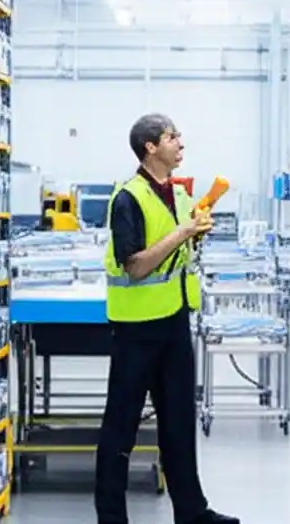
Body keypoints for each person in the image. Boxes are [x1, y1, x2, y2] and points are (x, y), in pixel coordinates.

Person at [95, 113, 239, 524]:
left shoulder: (177, 194)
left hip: (174, 322)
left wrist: (196, 231)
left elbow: (176, 252)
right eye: (172, 137)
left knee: (178, 422)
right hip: (136, 330)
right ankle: (111, 518)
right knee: (120, 430)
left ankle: (192, 513)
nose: (181, 143)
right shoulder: (127, 198)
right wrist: (183, 232)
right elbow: (135, 266)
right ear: (150, 147)